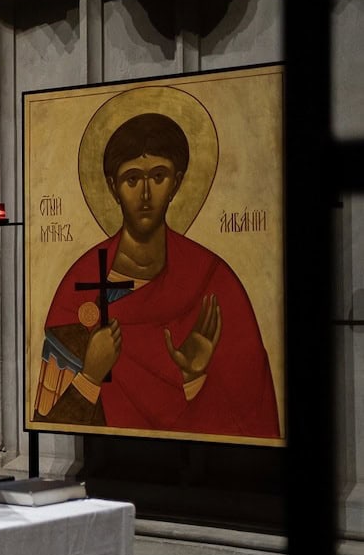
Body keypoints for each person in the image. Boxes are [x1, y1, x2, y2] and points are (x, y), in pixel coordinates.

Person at [33, 111, 280, 439]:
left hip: (205, 474)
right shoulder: (80, 284)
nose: (146, 194)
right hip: (111, 462)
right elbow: (49, 418)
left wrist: (195, 379)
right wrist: (90, 377)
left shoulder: (214, 281)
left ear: (177, 182)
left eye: (159, 176)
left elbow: (253, 416)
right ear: (112, 186)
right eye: (132, 179)